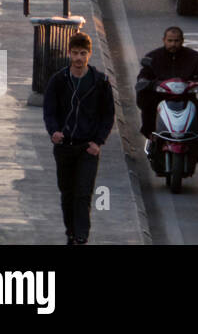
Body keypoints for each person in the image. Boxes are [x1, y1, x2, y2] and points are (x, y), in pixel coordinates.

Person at [43, 32, 115, 244]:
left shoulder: (100, 82)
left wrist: (98, 142)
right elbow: (49, 110)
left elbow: (108, 115)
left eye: (83, 53)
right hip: (64, 147)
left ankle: (81, 236)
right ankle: (71, 232)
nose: (78, 58)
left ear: (89, 54)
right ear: (69, 53)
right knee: (67, 193)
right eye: (75, 53)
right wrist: (53, 131)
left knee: (83, 194)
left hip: (87, 148)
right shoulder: (59, 80)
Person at [136, 26, 198, 143]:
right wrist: (146, 83)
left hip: (186, 96)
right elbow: (144, 74)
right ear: (164, 40)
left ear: (182, 41)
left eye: (176, 41)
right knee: (148, 107)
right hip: (160, 96)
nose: (173, 44)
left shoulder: (194, 56)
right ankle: (151, 135)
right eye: (170, 41)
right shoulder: (153, 56)